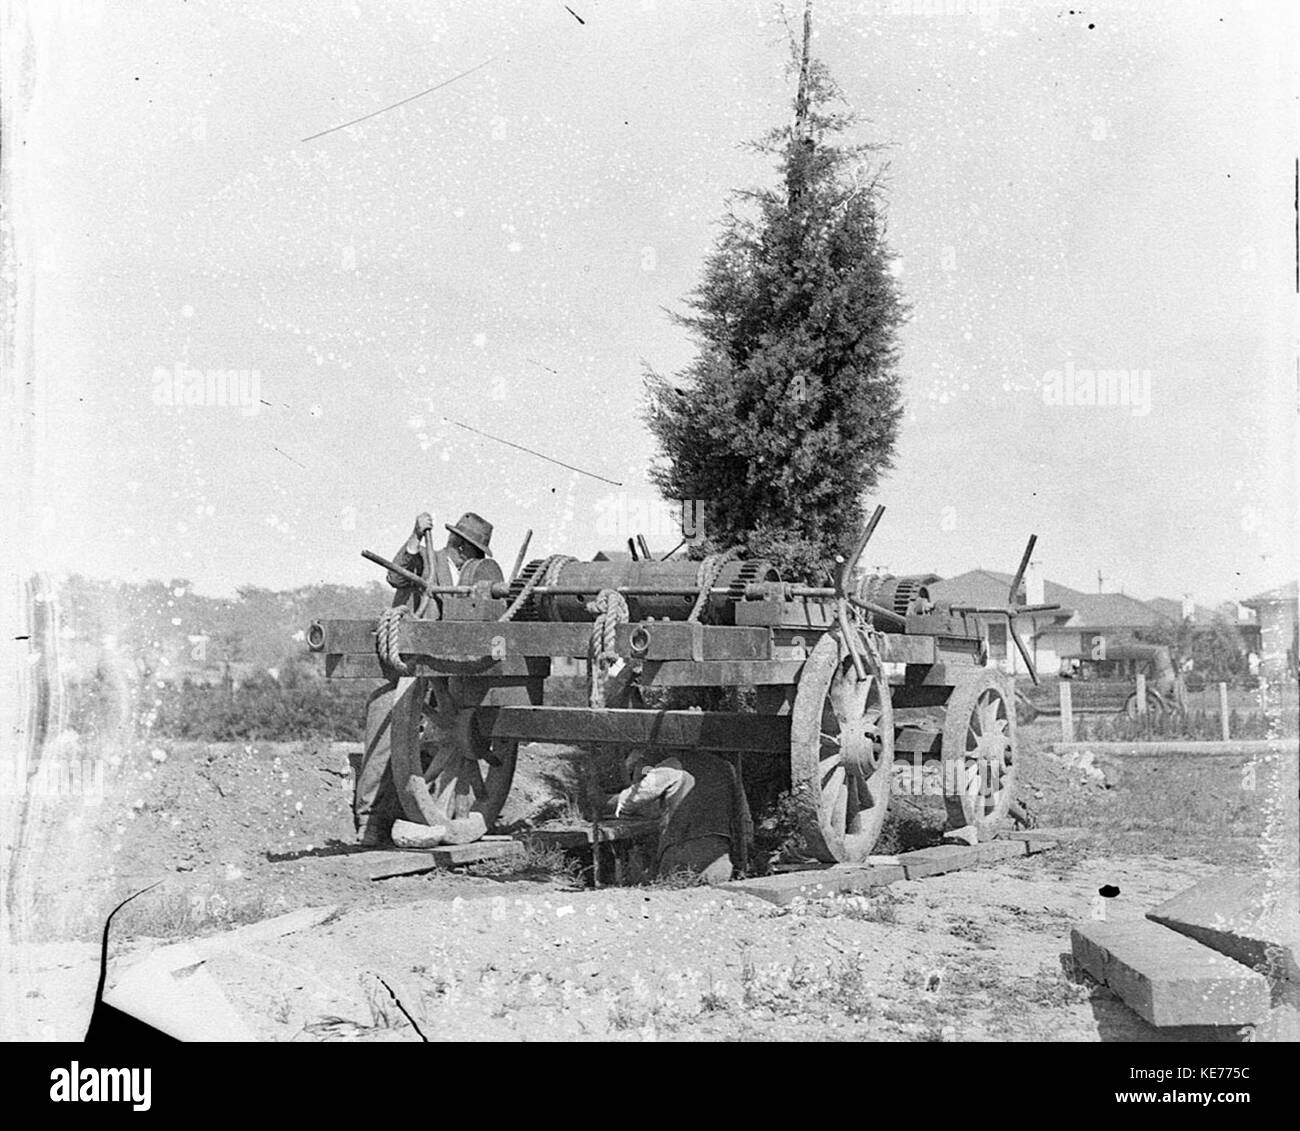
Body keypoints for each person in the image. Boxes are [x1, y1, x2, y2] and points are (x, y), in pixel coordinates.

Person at [354, 510, 496, 845]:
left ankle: (409, 817)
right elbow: (395, 578)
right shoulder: (427, 560)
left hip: (440, 678)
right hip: (405, 667)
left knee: (417, 750)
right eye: (473, 557)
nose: (472, 566)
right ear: (462, 549)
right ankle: (369, 823)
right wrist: (415, 536)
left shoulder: (465, 581)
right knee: (385, 727)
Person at [595, 749, 752, 885]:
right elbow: (744, 817)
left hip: (681, 854)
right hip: (720, 856)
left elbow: (634, 798)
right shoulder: (727, 767)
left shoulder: (672, 765)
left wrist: (598, 800)